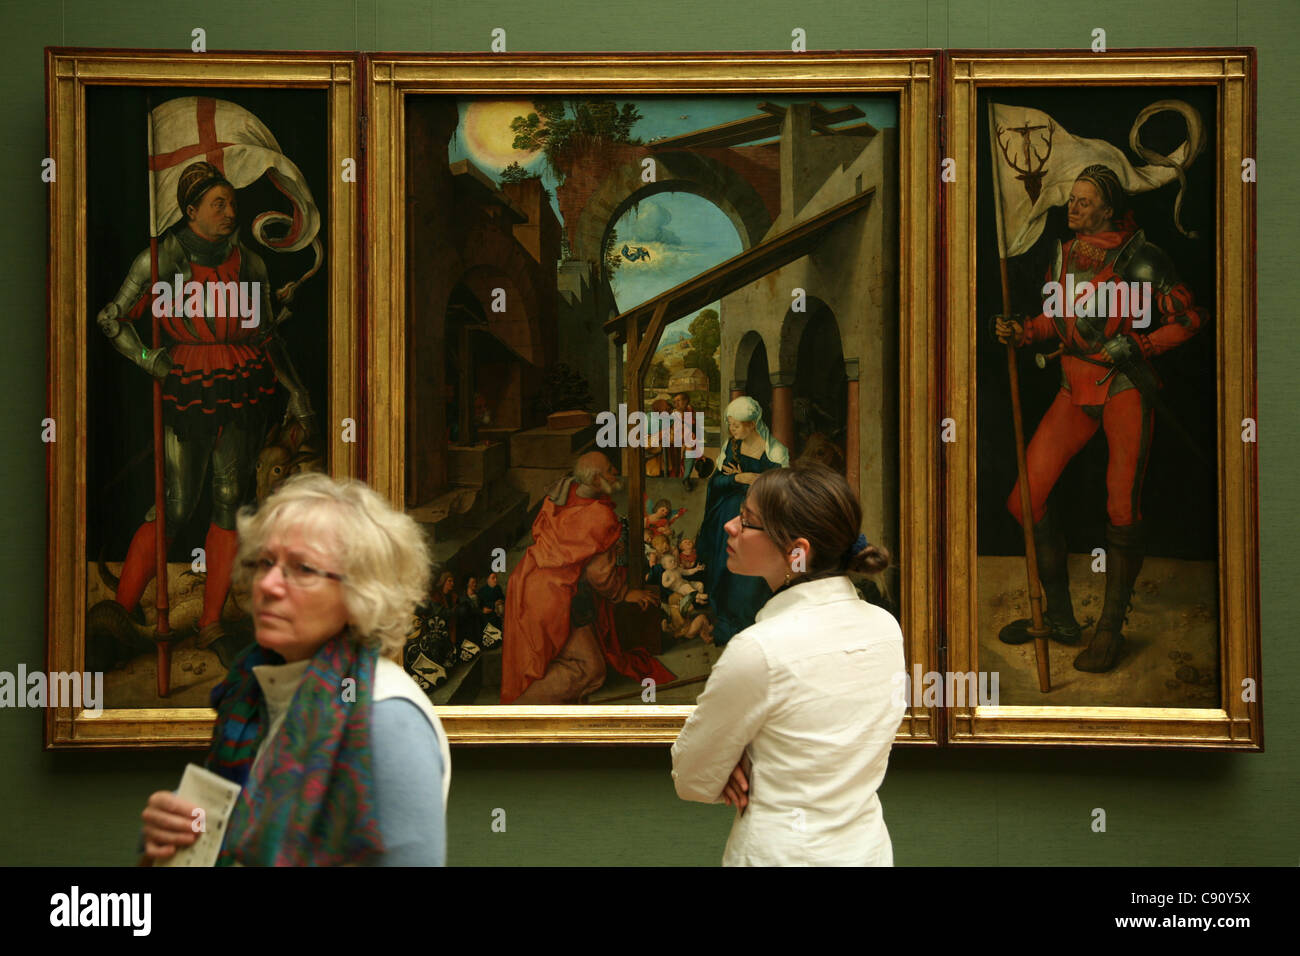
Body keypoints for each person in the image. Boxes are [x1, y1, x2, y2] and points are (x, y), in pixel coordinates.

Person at [138, 473, 450, 866]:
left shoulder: (386, 717)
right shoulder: (250, 694)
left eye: (302, 568)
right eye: (265, 562)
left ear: (361, 591)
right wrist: (168, 851)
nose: (267, 584)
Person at [93, 159, 316, 650]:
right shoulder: (159, 259)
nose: (230, 212)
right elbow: (110, 318)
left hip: (242, 387)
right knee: (174, 505)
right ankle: (119, 614)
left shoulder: (251, 264)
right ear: (191, 210)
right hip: (186, 386)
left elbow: (265, 336)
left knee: (229, 502)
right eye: (219, 204)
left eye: (233, 203)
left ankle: (211, 621)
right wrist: (150, 359)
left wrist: (298, 392)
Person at [994, 163, 1207, 673]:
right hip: (1073, 389)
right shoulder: (1063, 254)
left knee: (1120, 510)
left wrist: (1140, 342)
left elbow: (1190, 318)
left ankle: (1110, 630)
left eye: (1085, 201)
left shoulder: (1142, 258)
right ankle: (1062, 621)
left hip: (1123, 391)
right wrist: (1023, 332)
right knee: (1025, 500)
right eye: (1073, 200)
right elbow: (1057, 321)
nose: (1074, 207)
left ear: (1108, 208)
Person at [671, 461, 903, 865]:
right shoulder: (886, 628)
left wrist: (738, 755)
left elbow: (692, 778)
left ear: (797, 552)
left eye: (747, 520)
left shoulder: (758, 650)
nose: (730, 526)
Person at [501, 451, 673, 704]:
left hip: (527, 584)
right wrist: (625, 593)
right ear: (594, 480)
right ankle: (518, 712)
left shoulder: (562, 490)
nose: (615, 471)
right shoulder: (599, 517)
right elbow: (598, 574)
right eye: (609, 470)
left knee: (551, 658)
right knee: (591, 670)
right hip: (553, 597)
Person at [694, 396, 789, 645]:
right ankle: (726, 620)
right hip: (727, 517)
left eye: (736, 424)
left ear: (753, 424)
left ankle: (751, 626)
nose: (731, 429)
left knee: (751, 577)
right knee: (724, 568)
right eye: (730, 424)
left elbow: (782, 489)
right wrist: (737, 479)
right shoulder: (730, 447)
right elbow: (715, 482)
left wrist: (756, 479)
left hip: (760, 520)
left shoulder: (776, 451)